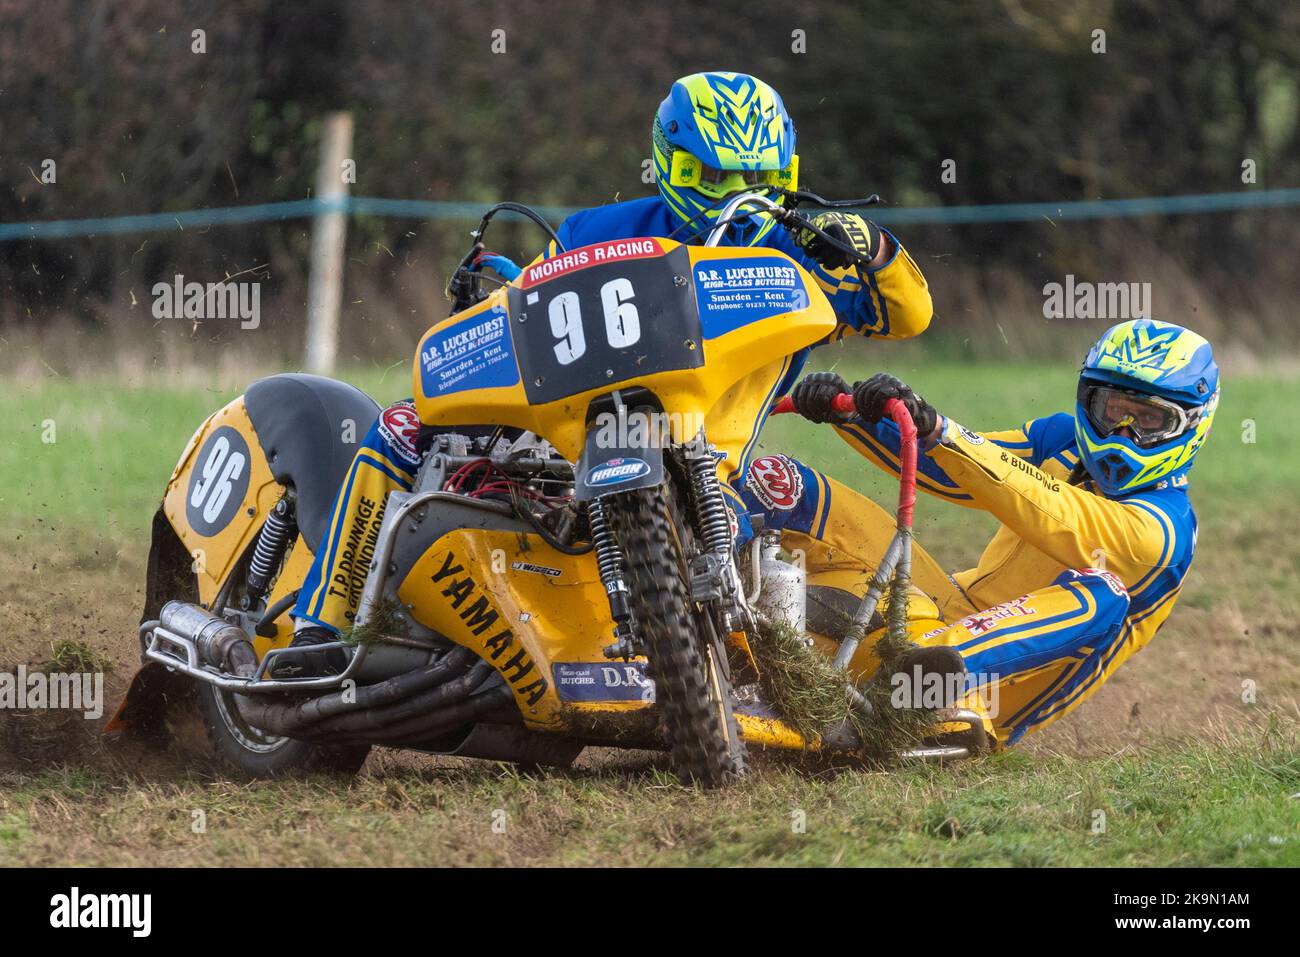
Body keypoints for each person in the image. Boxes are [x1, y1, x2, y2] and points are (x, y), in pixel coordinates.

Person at [286, 70, 935, 669]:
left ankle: (769, 659)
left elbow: (908, 313)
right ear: (672, 167)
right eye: (715, 179)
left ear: (788, 175)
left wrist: (873, 247)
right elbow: (528, 310)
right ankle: (324, 627)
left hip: (715, 467)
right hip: (563, 443)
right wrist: (500, 293)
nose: (741, 200)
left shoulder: (803, 254)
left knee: (761, 545)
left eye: (761, 181)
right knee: (401, 427)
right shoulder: (595, 231)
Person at [788, 318, 1220, 744]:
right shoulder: (1062, 437)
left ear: (1191, 425)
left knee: (1104, 593)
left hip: (992, 690)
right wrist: (852, 413)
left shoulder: (1164, 530)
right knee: (788, 486)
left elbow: (1044, 506)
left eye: (1148, 419)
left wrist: (944, 431)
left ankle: (924, 692)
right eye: (1114, 410)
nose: (1123, 434)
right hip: (943, 615)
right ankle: (731, 602)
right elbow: (953, 470)